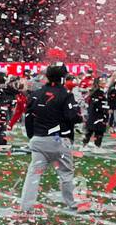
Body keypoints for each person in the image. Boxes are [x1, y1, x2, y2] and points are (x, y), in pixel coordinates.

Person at [18, 63, 81, 214]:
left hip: (39, 138)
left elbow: (28, 117)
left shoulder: (36, 93)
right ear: (63, 77)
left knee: (33, 174)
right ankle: (71, 204)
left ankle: (26, 207)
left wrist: (32, 135)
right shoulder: (66, 95)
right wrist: (78, 116)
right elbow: (72, 117)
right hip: (59, 140)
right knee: (66, 174)